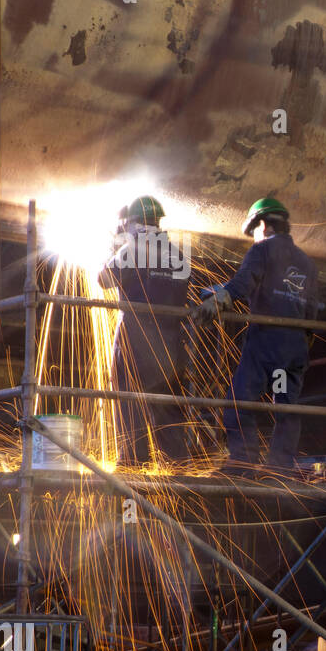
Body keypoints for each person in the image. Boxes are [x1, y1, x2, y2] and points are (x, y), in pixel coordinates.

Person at [194, 197, 318, 472]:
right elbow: (311, 314)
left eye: (255, 232)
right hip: (293, 349)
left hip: (266, 345)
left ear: (262, 225)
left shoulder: (262, 251)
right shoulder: (307, 263)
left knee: (239, 402)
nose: (254, 238)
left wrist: (218, 299)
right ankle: (280, 468)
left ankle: (244, 461)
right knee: (286, 406)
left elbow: (242, 284)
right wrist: (298, 347)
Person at [98, 195, 192, 468]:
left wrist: (115, 246)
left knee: (128, 398)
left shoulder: (131, 250)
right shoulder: (177, 254)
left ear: (132, 222)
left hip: (134, 336)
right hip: (170, 342)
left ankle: (133, 462)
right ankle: (177, 466)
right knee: (166, 402)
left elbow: (103, 279)